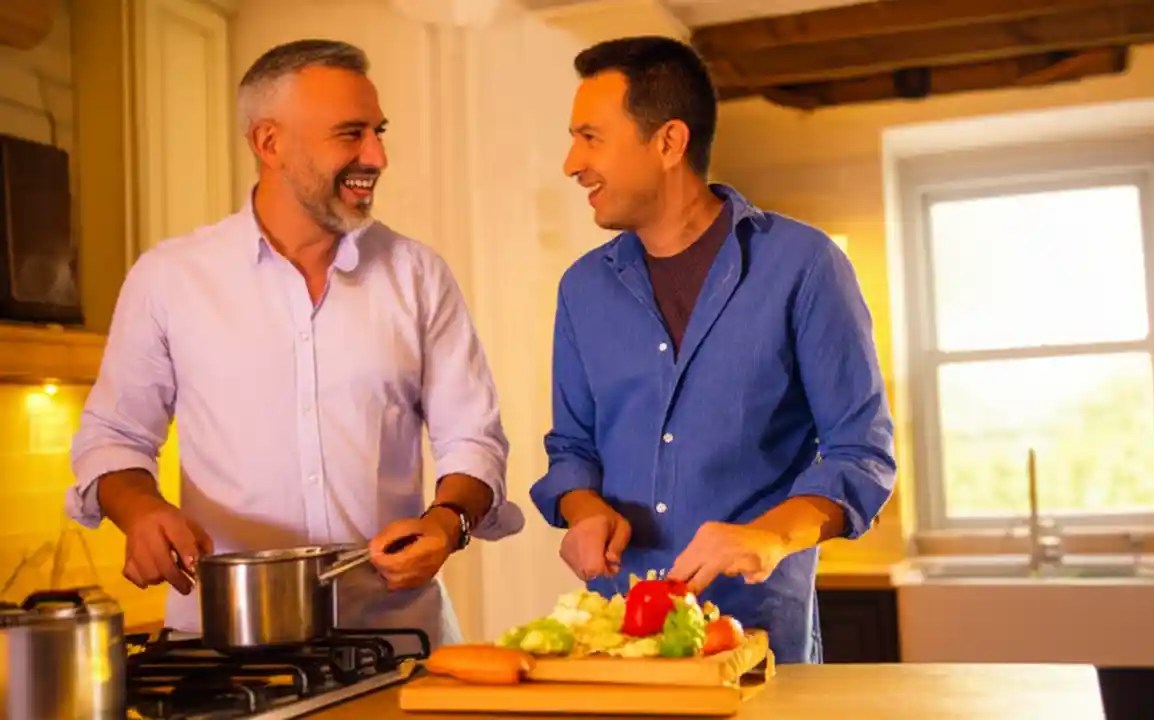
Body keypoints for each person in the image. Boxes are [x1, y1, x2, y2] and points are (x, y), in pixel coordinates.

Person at [65, 39, 522, 649]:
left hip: (395, 644)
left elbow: (473, 438)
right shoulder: (170, 278)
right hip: (224, 647)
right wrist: (140, 510)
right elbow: (114, 438)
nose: (377, 155)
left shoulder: (417, 275)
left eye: (378, 131)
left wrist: (448, 522)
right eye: (351, 134)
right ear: (269, 143)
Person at [529, 36, 896, 664]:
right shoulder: (582, 289)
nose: (570, 163)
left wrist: (769, 536)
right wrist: (582, 508)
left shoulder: (805, 266)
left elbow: (860, 455)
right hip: (620, 643)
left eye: (590, 137)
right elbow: (573, 448)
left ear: (669, 142)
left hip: (759, 645)